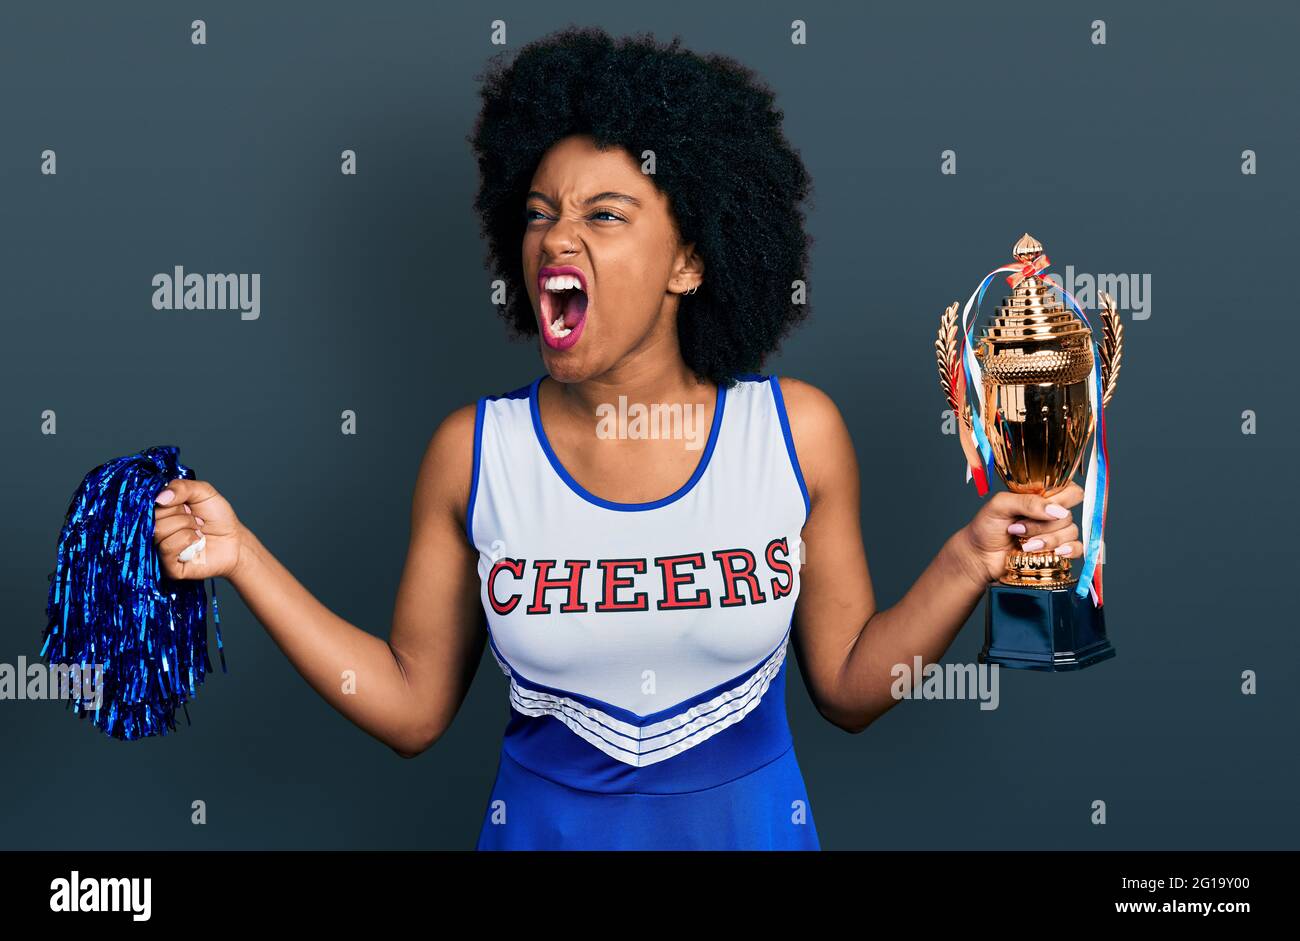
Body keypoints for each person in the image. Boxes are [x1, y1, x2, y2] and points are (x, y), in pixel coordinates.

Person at [150, 27, 1085, 850]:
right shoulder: (474, 453)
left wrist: (970, 557)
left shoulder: (793, 433)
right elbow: (409, 707)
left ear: (689, 259)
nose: (558, 239)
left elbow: (846, 686)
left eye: (604, 215)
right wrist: (244, 558)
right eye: (541, 212)